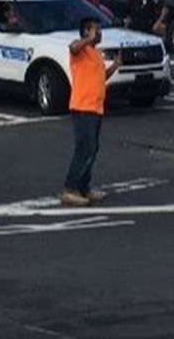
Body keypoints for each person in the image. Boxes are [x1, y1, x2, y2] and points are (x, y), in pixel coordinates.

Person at [61, 16, 118, 206]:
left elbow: (102, 76)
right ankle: (70, 187)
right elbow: (72, 47)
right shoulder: (81, 50)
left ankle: (84, 187)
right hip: (82, 106)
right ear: (86, 31)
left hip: (96, 107)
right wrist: (88, 39)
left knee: (92, 148)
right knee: (84, 148)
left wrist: (116, 65)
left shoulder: (95, 53)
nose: (100, 33)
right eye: (96, 30)